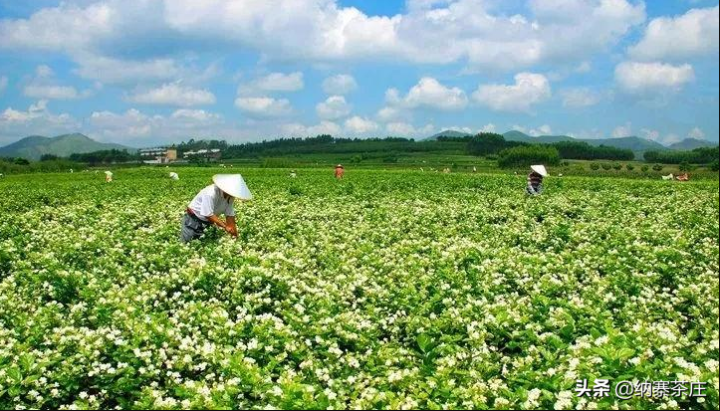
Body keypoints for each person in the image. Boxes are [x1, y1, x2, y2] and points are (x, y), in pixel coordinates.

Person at [181, 174, 252, 243]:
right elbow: (208, 214)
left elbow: (230, 216)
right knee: (187, 243)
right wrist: (225, 226)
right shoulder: (211, 193)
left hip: (207, 222)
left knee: (204, 244)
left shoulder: (230, 197)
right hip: (193, 220)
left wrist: (235, 236)